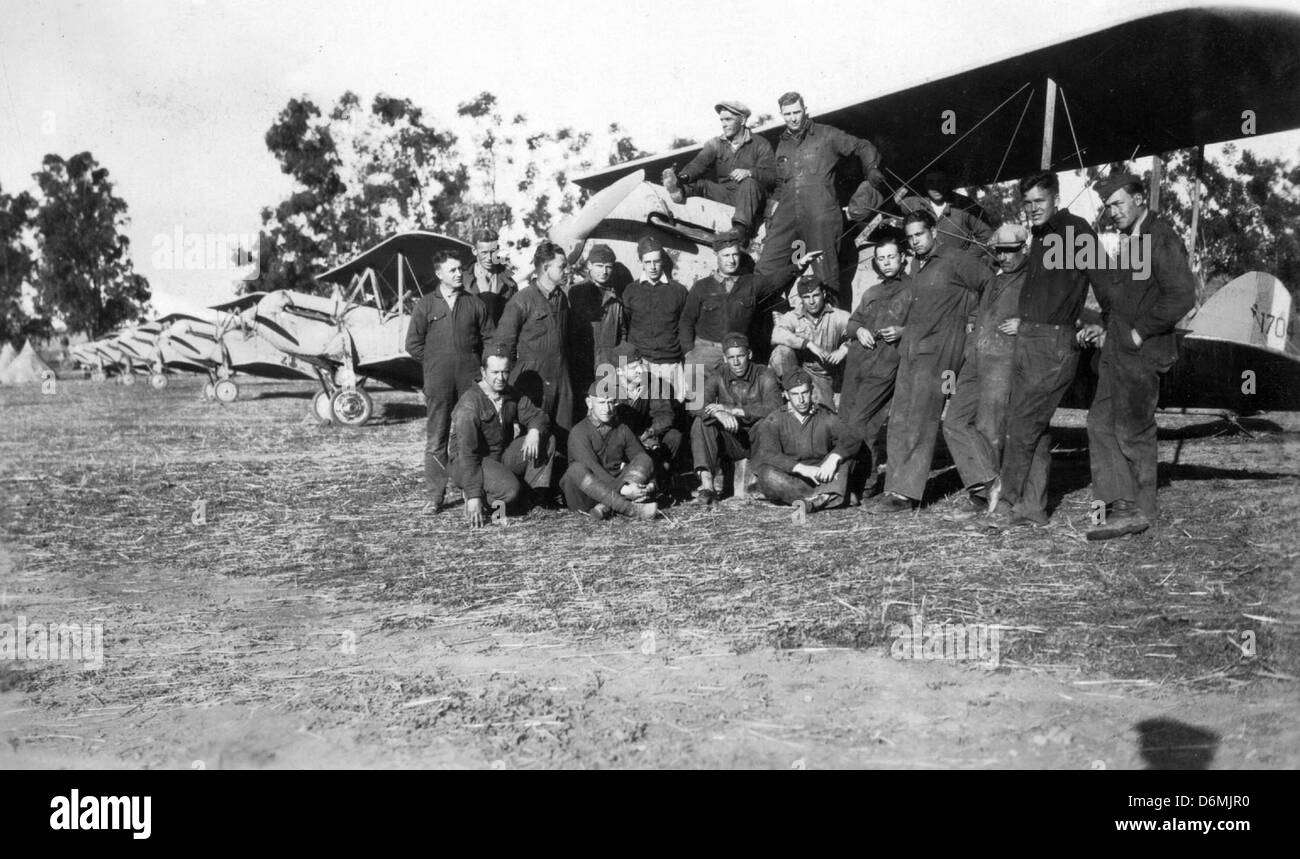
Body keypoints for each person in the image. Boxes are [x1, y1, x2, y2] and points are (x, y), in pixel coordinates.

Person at [987, 170, 1114, 529]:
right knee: (1035, 428)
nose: (1032, 209)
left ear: (1056, 198)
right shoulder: (1040, 236)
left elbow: (1104, 277)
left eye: (1039, 201)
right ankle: (1032, 509)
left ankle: (1004, 502)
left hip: (1055, 346)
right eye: (1026, 203)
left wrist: (1104, 322)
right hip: (1028, 341)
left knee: (1022, 425)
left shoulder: (1075, 230)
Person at [1080, 173, 1197, 540]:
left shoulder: (1159, 237)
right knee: (1099, 423)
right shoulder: (1132, 240)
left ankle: (1143, 510)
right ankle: (1119, 505)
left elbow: (1181, 297)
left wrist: (1139, 331)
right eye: (1108, 206)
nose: (1112, 212)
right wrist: (1105, 326)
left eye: (1118, 204)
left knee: (1134, 428)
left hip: (1143, 351)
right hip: (1116, 349)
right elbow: (1126, 298)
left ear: (1139, 198)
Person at [873, 210, 994, 512]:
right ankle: (894, 489)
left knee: (921, 420)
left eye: (920, 234)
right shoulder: (916, 264)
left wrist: (978, 326)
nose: (915, 241)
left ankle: (906, 494)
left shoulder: (955, 258)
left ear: (934, 232)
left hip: (940, 351)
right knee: (899, 418)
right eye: (911, 237)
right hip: (912, 349)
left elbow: (989, 282)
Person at [756, 91, 886, 309]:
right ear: (781, 114)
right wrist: (770, 213)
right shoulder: (782, 144)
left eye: (797, 112)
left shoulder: (827, 135)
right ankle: (767, 322)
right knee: (765, 269)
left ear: (805, 110)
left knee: (826, 276)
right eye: (787, 114)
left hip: (821, 216)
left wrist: (871, 168)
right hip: (787, 216)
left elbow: (862, 146)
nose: (793, 118)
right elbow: (780, 185)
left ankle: (831, 331)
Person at [940, 223, 1029, 520]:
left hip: (1002, 360)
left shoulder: (1033, 280)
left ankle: (988, 498)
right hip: (975, 358)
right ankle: (988, 483)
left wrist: (1026, 325)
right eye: (998, 251)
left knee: (991, 428)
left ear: (1023, 249)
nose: (1003, 257)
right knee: (953, 422)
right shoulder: (992, 278)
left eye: (1009, 252)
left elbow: (1059, 313)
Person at [405, 249, 495, 509]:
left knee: (471, 435)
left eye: (460, 269)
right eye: (452, 270)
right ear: (439, 274)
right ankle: (435, 496)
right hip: (438, 383)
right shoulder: (425, 304)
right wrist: (436, 363)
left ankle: (473, 491)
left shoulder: (474, 303)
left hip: (470, 382)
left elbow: (489, 338)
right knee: (437, 438)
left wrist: (481, 367)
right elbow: (413, 344)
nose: (459, 274)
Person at [448, 346, 556, 528]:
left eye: (505, 372)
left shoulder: (510, 394)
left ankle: (529, 497)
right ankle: (489, 503)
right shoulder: (469, 405)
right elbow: (467, 454)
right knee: (510, 490)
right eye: (495, 372)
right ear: (483, 372)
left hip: (499, 457)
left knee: (547, 440)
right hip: (470, 461)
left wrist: (534, 431)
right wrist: (473, 494)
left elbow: (538, 416)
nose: (501, 378)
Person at [838, 232, 913, 494]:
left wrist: (903, 332)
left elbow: (927, 325)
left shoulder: (914, 290)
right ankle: (847, 479)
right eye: (881, 258)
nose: (887, 262)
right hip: (858, 361)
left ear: (903, 258)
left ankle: (866, 481)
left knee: (865, 421)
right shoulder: (871, 291)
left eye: (892, 257)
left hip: (886, 362)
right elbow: (851, 323)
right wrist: (858, 331)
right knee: (846, 417)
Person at [680, 234, 803, 382]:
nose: (731, 260)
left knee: (736, 400)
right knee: (696, 400)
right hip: (704, 353)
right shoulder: (701, 287)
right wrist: (688, 352)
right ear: (716, 255)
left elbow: (774, 280)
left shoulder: (751, 283)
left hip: (737, 355)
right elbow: (686, 321)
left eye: (735, 255)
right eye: (726, 255)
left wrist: (799, 265)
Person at [661, 100, 776, 244]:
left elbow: (772, 176)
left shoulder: (760, 144)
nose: (723, 124)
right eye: (721, 120)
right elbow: (699, 163)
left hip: (753, 197)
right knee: (702, 185)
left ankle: (740, 230)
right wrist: (682, 177)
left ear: (743, 120)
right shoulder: (715, 143)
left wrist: (750, 172)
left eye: (728, 119)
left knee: (749, 184)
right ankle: (678, 190)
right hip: (727, 194)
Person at [688, 332, 783, 504]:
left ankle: (758, 481)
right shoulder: (719, 375)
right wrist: (718, 413)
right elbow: (695, 404)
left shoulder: (764, 374)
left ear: (750, 355)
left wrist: (736, 410)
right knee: (701, 423)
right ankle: (707, 486)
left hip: (757, 439)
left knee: (768, 422)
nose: (736, 362)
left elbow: (775, 407)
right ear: (725, 358)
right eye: (731, 357)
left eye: (740, 356)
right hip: (732, 440)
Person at [493, 241, 576, 438]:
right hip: (533, 382)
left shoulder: (562, 298)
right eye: (562, 266)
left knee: (563, 434)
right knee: (533, 435)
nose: (567, 270)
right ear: (546, 268)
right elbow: (503, 346)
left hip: (561, 381)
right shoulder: (521, 300)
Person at [752, 368, 863, 514]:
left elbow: (853, 438)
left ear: (812, 391)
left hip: (823, 476)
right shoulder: (775, 419)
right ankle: (827, 497)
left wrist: (833, 458)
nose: (801, 399)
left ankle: (815, 499)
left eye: (805, 393)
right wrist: (800, 468)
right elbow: (768, 453)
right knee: (766, 475)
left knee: (845, 460)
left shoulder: (825, 416)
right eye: (795, 394)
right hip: (792, 478)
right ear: (785, 395)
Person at [560, 381, 659, 520]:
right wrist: (625, 490)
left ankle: (605, 507)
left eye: (611, 402)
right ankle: (631, 509)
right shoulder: (579, 432)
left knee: (645, 458)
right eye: (601, 403)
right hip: (586, 494)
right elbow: (593, 469)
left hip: (615, 487)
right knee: (575, 469)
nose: (607, 409)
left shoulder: (622, 428)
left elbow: (641, 458)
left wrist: (650, 485)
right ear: (589, 403)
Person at [610, 343, 684, 493]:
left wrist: (650, 432)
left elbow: (665, 415)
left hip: (648, 436)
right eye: (632, 367)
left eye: (641, 364)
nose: (640, 370)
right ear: (619, 371)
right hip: (622, 442)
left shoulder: (654, 383)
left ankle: (663, 479)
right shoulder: (608, 388)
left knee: (674, 436)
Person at [622, 235, 690, 400]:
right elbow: (626, 324)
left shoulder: (679, 291)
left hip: (670, 363)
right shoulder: (631, 291)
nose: (652, 267)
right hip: (641, 363)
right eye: (647, 262)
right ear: (641, 262)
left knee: (673, 409)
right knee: (642, 409)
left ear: (663, 262)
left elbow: (685, 326)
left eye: (656, 261)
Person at [770, 274, 851, 409]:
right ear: (801, 299)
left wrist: (844, 349)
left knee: (824, 413)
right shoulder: (793, 316)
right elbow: (777, 334)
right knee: (781, 352)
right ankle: (790, 394)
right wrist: (808, 344)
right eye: (806, 297)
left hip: (823, 375)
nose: (812, 301)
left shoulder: (838, 316)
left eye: (816, 295)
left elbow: (861, 331)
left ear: (824, 294)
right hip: (800, 370)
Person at [568, 242, 626, 407]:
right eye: (599, 266)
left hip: (608, 366)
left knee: (608, 410)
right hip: (582, 365)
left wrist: (619, 365)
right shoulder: (575, 293)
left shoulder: (615, 299)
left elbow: (623, 335)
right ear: (589, 266)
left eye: (608, 267)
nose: (604, 271)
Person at [898, 167, 995, 256]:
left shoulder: (964, 204)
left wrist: (967, 257)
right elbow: (889, 209)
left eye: (940, 181)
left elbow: (987, 234)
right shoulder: (914, 203)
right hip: (926, 266)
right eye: (931, 182)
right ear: (925, 184)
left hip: (956, 266)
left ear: (948, 182)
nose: (935, 187)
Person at [462, 228, 518, 324]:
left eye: (492, 252)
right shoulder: (461, 279)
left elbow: (514, 321)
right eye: (484, 252)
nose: (489, 258)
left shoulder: (510, 283)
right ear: (474, 250)